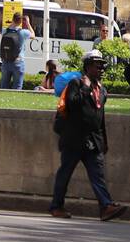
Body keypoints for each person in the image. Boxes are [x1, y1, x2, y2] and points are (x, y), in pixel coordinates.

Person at [48, 51, 125, 222]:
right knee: (65, 173)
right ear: (88, 67)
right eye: (98, 66)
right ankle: (56, 206)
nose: (101, 69)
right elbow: (72, 104)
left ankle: (106, 206)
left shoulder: (101, 89)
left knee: (97, 175)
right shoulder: (76, 84)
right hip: (74, 139)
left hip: (93, 140)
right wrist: (84, 87)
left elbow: (100, 116)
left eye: (102, 66)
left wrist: (104, 139)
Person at [0, 12, 32, 91]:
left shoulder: (4, 31)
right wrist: (28, 23)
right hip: (18, 62)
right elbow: (33, 35)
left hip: (5, 61)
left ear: (12, 19)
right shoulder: (23, 32)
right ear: (21, 21)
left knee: (4, 85)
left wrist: (11, 23)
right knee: (17, 86)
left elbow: (8, 28)